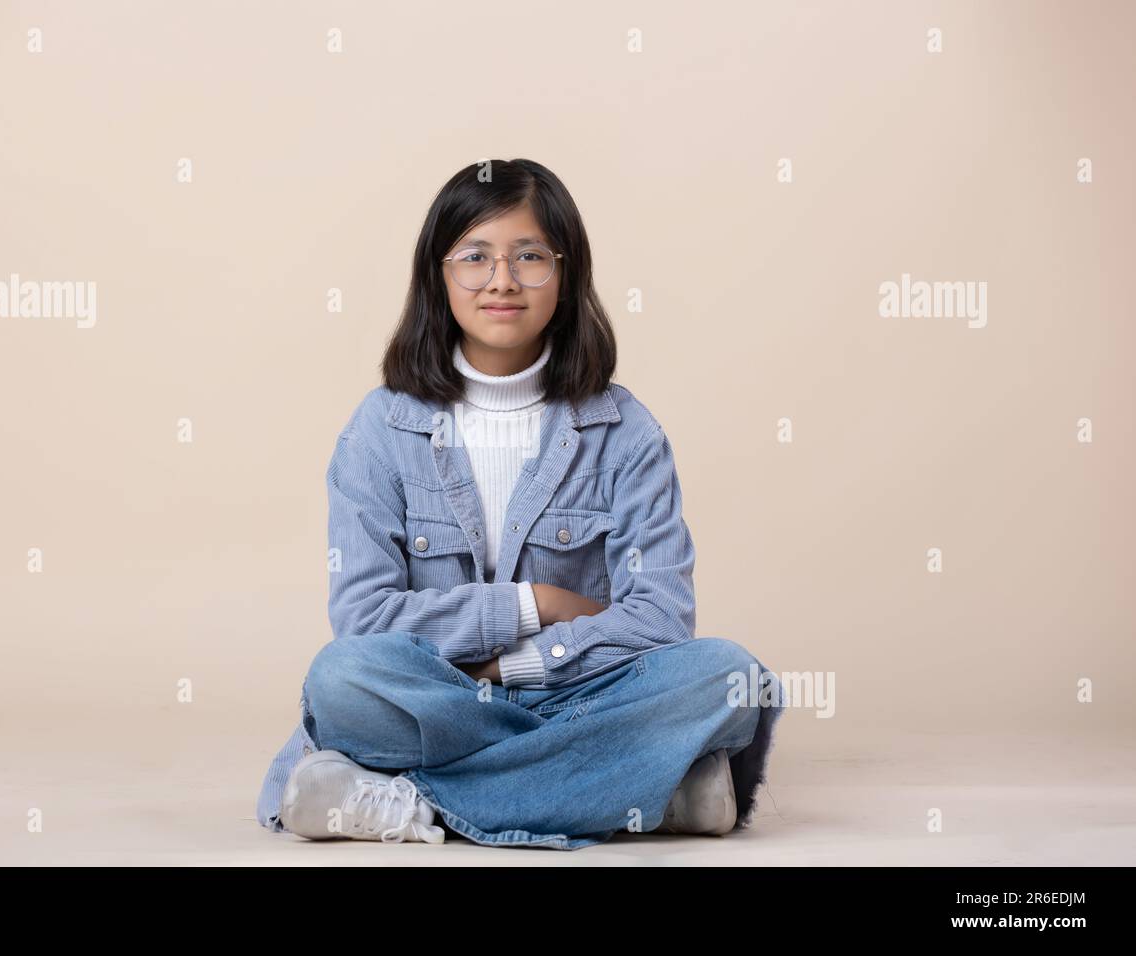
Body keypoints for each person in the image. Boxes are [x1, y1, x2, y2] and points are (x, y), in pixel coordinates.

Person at [255, 158, 786, 849]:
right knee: (344, 679)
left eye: (529, 256)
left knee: (730, 677)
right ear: (437, 275)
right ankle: (649, 790)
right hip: (439, 699)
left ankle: (401, 797)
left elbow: (661, 619)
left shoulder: (624, 432)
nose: (502, 280)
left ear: (565, 277)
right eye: (475, 256)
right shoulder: (381, 429)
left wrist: (509, 668)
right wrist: (539, 603)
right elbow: (364, 621)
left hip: (582, 692)